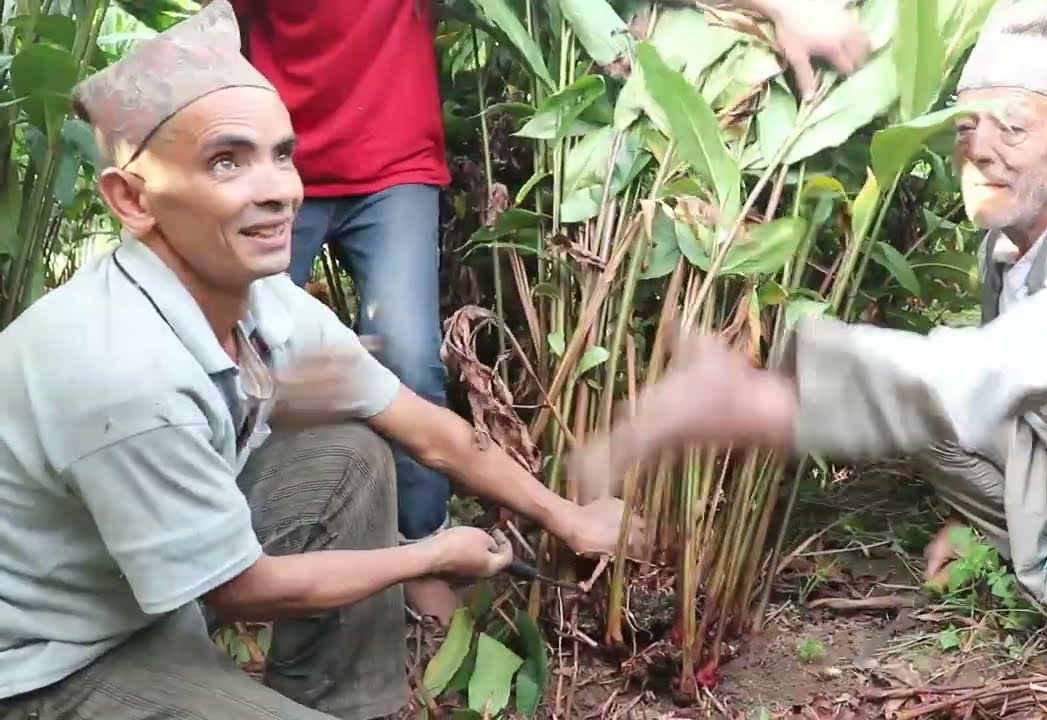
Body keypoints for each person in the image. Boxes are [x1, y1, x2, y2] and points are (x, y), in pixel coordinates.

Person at [570, 4, 1047, 663]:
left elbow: (1008, 365)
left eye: (1012, 127)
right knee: (930, 416)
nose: (981, 150)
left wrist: (768, 403)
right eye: (967, 128)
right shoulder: (1006, 246)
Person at [0, 3, 639, 718]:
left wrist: (567, 518)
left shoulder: (264, 300)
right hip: (46, 660)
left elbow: (427, 429)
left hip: (134, 593)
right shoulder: (123, 376)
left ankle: (341, 702)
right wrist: (430, 555)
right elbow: (239, 589)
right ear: (132, 200)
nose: (279, 190)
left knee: (348, 453)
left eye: (282, 155)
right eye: (226, 162)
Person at [217, 0, 872, 562]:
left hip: (393, 167)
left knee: (411, 362)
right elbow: (221, 41)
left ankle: (424, 549)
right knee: (240, 366)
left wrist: (785, 7)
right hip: (279, 168)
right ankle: (234, 559)